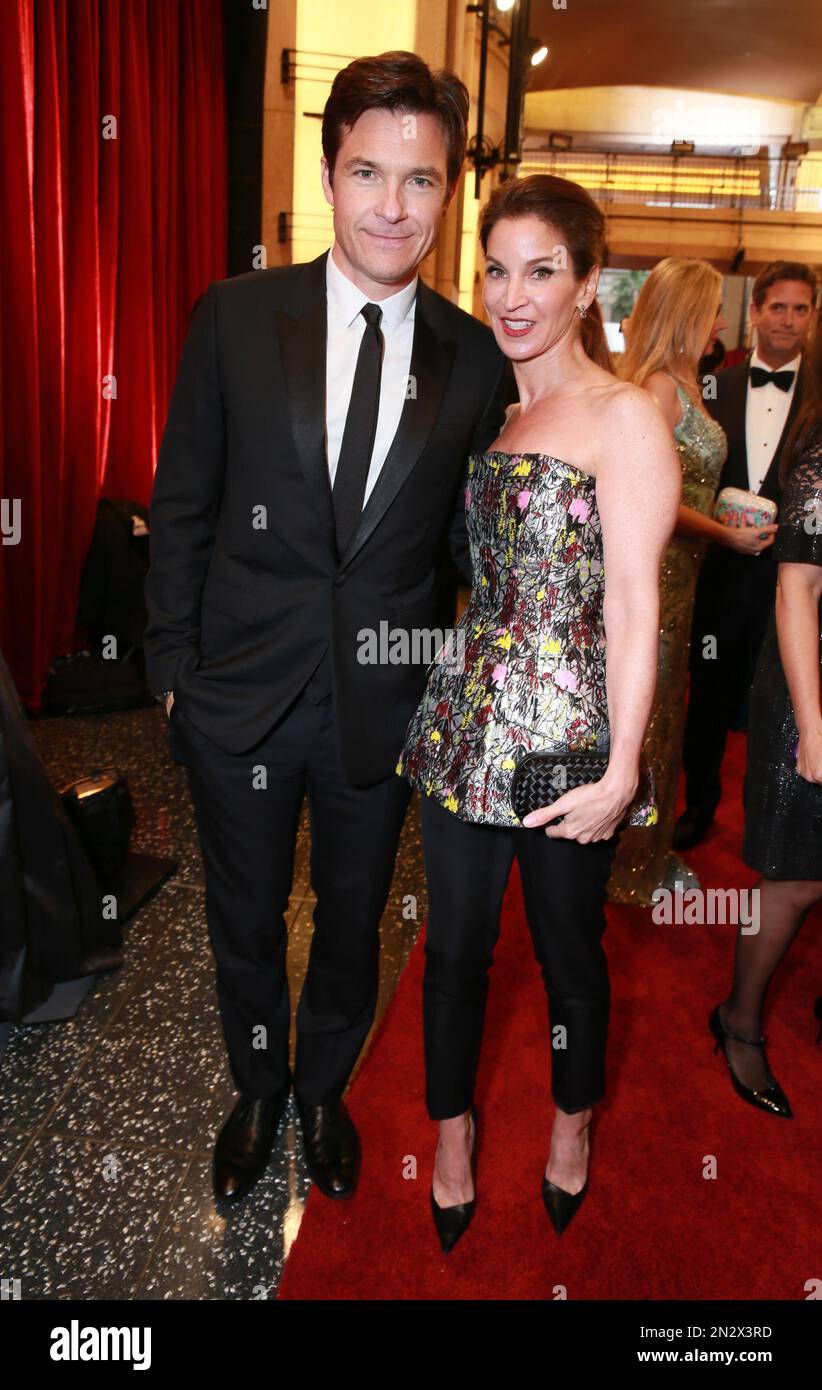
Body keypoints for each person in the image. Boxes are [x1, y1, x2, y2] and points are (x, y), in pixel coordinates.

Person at [143, 51, 507, 1207]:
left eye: (421, 180)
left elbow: (468, 554)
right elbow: (185, 503)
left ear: (451, 193)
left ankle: (321, 1092)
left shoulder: (476, 357)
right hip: (238, 696)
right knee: (243, 915)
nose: (393, 206)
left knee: (352, 923)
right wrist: (168, 680)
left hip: (382, 706)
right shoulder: (239, 316)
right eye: (368, 172)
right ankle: (258, 1085)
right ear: (328, 171)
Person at [397, 174, 680, 1250]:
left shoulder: (625, 415)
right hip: (467, 726)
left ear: (586, 281)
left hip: (569, 743)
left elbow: (634, 604)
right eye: (497, 268)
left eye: (541, 270)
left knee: (568, 949)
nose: (513, 294)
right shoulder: (496, 411)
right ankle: (454, 1129)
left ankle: (571, 1124)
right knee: (455, 949)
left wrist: (621, 771)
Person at [711, 328, 822, 1117]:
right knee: (796, 876)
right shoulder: (820, 458)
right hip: (811, 683)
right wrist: (813, 726)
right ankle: (740, 1020)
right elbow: (797, 591)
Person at [674, 261, 818, 850]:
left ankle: (772, 815)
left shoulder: (820, 394)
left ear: (812, 316)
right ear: (754, 312)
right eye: (776, 306)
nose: (787, 319)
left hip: (800, 582)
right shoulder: (717, 387)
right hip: (720, 574)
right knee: (706, 699)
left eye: (800, 308)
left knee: (781, 702)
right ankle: (699, 803)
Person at [606, 258, 729, 905]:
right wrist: (724, 532)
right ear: (686, 316)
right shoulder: (657, 388)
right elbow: (648, 493)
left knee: (664, 711)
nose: (723, 322)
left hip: (681, 579)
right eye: (712, 309)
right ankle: (626, 866)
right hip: (656, 574)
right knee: (644, 716)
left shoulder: (686, 382)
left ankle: (647, 853)